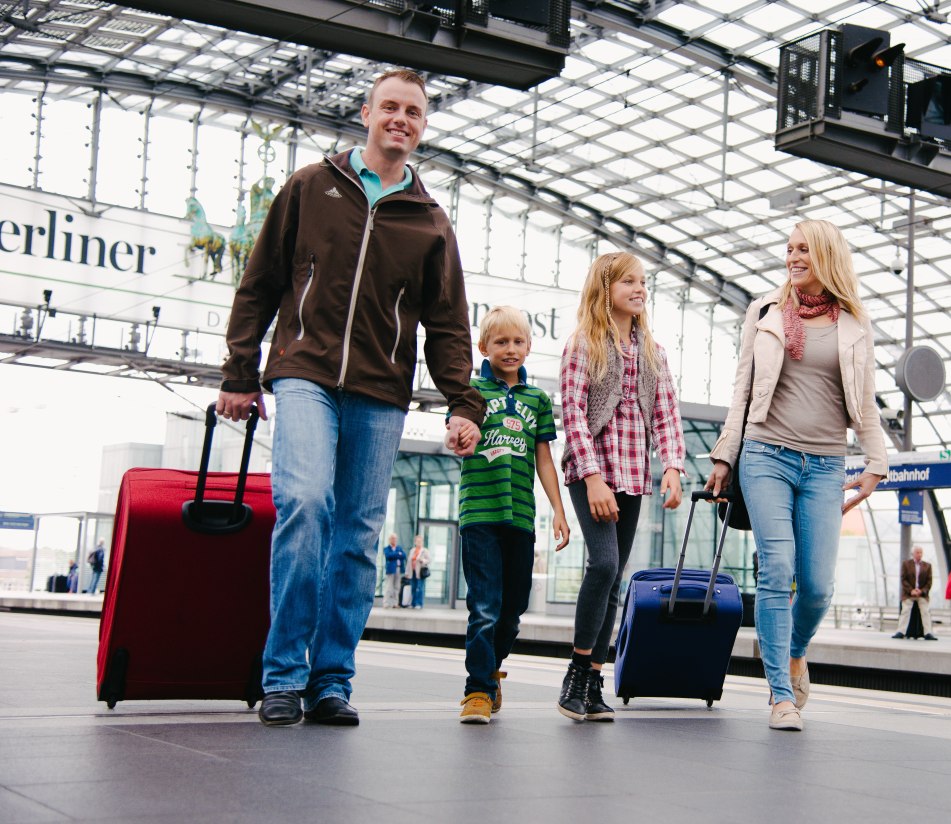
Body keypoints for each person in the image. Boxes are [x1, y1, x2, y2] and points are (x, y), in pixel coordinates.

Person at [217, 68, 485, 727]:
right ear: (366, 113)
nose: (401, 119)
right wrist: (238, 373)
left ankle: (331, 680)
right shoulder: (310, 188)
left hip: (380, 391)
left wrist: (462, 402)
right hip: (302, 372)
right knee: (305, 504)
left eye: (414, 112)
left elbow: (448, 324)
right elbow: (259, 285)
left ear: (422, 127)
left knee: (358, 536)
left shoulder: (429, 223)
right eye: (390, 107)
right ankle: (282, 674)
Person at [705, 219, 888, 732]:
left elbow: (866, 400)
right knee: (776, 567)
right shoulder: (764, 311)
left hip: (827, 463)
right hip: (767, 454)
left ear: (826, 254)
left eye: (804, 248)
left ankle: (795, 652)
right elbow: (742, 389)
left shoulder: (854, 321)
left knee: (817, 586)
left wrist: (876, 464)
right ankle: (780, 696)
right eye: (789, 248)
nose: (793, 256)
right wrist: (726, 455)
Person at [558, 252, 684, 722]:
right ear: (604, 288)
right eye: (628, 281)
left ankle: (592, 679)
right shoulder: (584, 344)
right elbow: (572, 413)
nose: (639, 289)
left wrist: (671, 466)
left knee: (615, 577)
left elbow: (667, 413)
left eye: (643, 282)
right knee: (604, 563)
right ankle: (575, 671)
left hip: (633, 475)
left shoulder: (653, 352)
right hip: (592, 472)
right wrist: (591, 477)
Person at [455, 306, 570, 724]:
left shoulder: (537, 400)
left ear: (529, 347)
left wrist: (558, 509)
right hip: (479, 514)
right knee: (484, 606)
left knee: (513, 608)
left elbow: (544, 458)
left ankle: (491, 668)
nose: (510, 349)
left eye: (518, 342)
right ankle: (477, 691)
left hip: (520, 516)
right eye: (501, 342)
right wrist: (459, 433)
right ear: (483, 347)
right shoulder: (471, 392)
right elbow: (458, 428)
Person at [893, 546, 938, 640]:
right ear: (913, 553)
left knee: (925, 611)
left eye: (921, 552)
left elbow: (929, 582)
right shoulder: (906, 564)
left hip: (922, 594)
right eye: (917, 552)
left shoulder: (927, 566)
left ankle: (928, 632)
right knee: (905, 610)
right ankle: (901, 631)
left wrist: (921, 591)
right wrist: (911, 590)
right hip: (909, 594)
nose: (919, 554)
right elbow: (903, 579)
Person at [382, 534, 406, 609]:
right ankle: (386, 603)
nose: (394, 540)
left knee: (397, 587)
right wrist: (398, 554)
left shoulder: (399, 548)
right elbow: (388, 556)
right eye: (392, 538)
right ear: (390, 539)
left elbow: (404, 555)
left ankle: (395, 603)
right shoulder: (387, 548)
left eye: (395, 538)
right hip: (391, 570)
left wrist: (395, 555)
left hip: (399, 569)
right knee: (389, 587)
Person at [407, 535, 430, 609]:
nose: (419, 543)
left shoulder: (424, 551)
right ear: (415, 542)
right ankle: (413, 603)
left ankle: (419, 604)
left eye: (420, 541)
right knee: (413, 588)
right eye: (417, 541)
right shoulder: (412, 550)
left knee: (419, 588)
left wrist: (422, 560)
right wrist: (407, 572)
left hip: (420, 573)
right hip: (412, 572)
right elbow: (408, 562)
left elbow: (429, 560)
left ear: (422, 542)